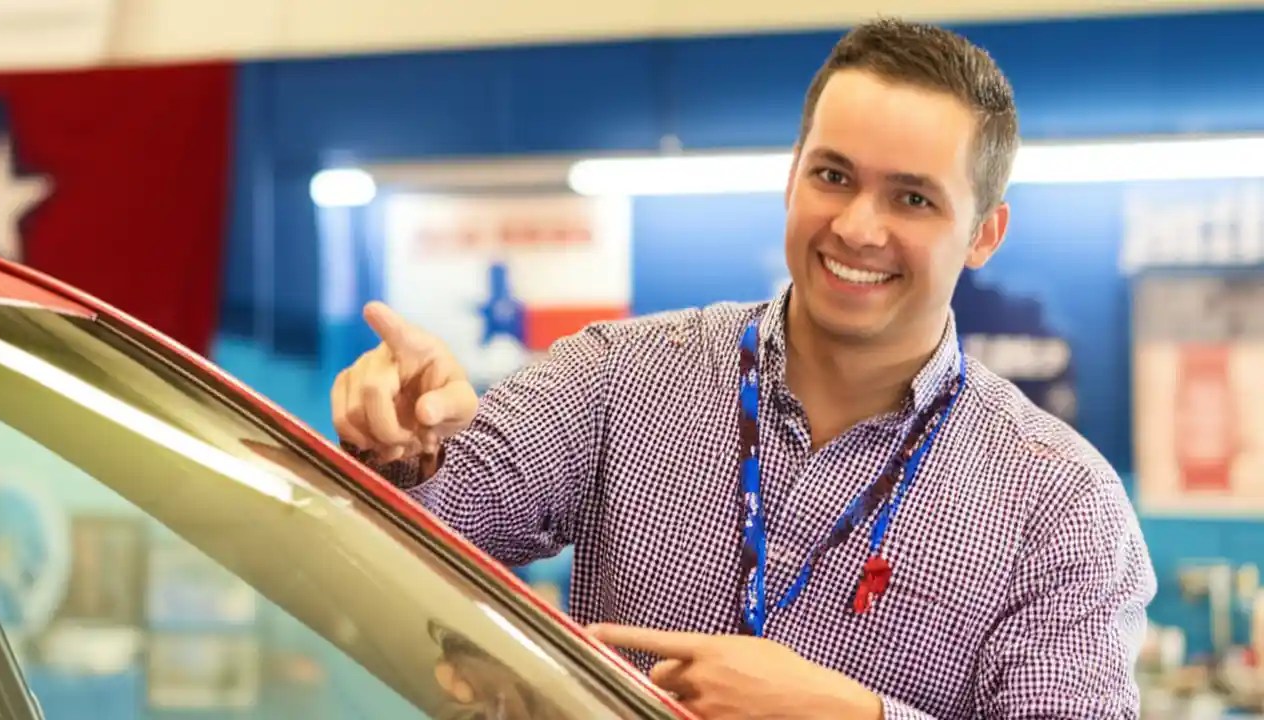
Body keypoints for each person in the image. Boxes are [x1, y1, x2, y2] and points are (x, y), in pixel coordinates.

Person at [332, 17, 1157, 720]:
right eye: (834, 176)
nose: (859, 228)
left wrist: (851, 715)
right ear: (792, 174)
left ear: (984, 233)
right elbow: (430, 521)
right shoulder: (622, 376)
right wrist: (405, 437)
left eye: (913, 199)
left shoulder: (1058, 503)